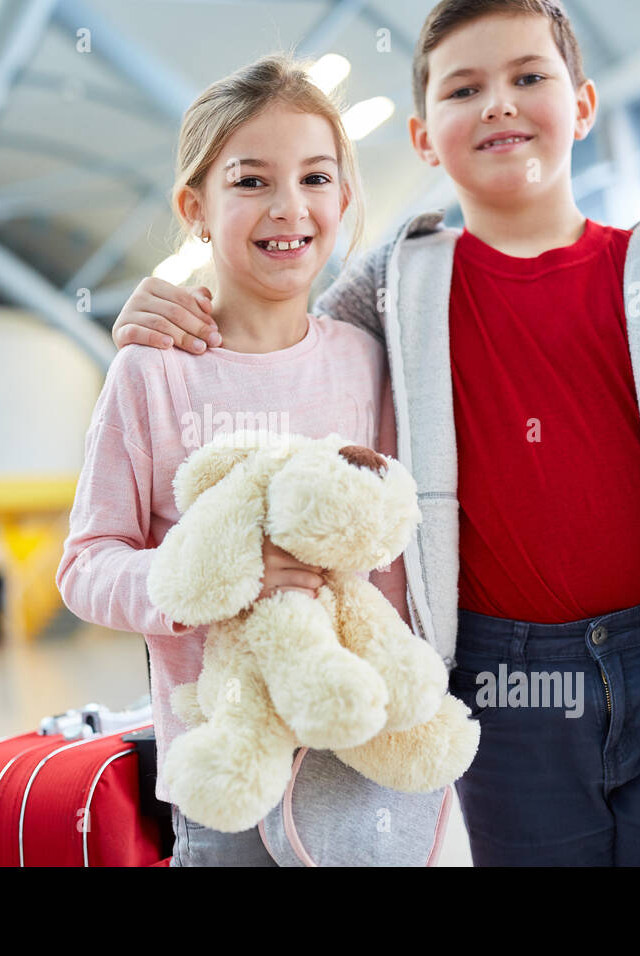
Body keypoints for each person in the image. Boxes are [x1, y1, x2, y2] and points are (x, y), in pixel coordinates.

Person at [108, 0, 640, 867]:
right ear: (422, 136)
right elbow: (274, 331)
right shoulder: (391, 291)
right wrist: (160, 310)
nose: (498, 103)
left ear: (585, 103)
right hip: (500, 682)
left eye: (529, 77)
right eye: (465, 87)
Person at [56, 53, 412, 866]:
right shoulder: (151, 373)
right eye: (252, 181)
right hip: (225, 774)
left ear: (345, 199)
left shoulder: (366, 360)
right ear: (197, 208)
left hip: (361, 763)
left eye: (317, 178)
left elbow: (394, 560)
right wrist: (204, 574)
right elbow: (85, 565)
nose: (290, 207)